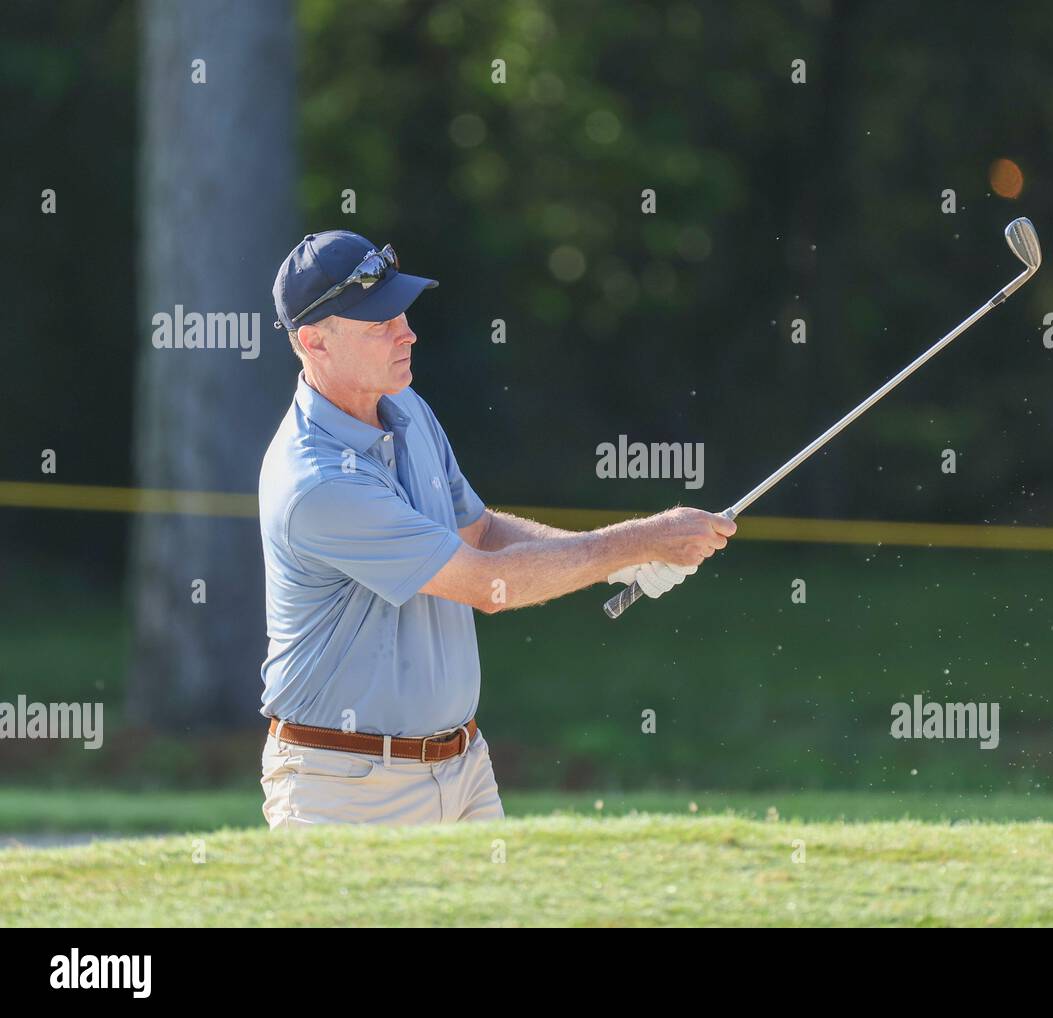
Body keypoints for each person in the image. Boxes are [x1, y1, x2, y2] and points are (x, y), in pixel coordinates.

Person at [257, 230, 736, 828]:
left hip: (463, 769)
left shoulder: (406, 406)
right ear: (313, 341)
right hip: (345, 787)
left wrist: (623, 561)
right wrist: (640, 539)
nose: (407, 332)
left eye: (401, 313)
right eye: (379, 323)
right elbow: (487, 585)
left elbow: (480, 533)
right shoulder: (318, 482)